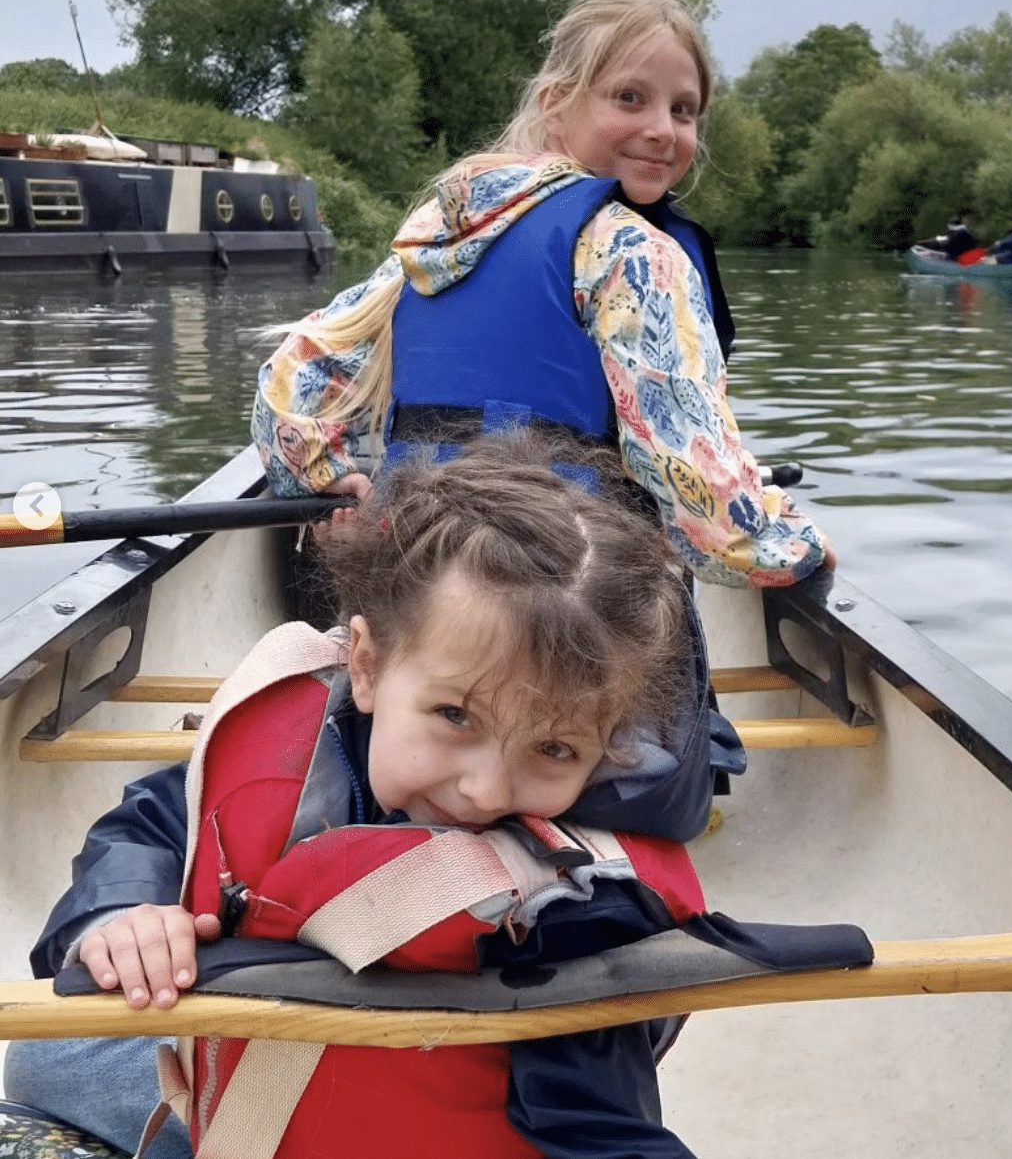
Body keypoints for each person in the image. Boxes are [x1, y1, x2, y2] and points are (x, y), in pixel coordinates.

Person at [5, 436, 872, 1159]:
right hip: (247, 1087)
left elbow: (605, 1129)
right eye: (455, 716)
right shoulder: (302, 748)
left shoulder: (578, 907)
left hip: (367, 1126)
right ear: (366, 666)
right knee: (48, 1052)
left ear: (607, 747)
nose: (484, 788)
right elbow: (160, 816)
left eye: (555, 749)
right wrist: (119, 914)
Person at [251, 0, 831, 589]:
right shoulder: (638, 256)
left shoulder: (446, 232)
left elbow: (290, 383)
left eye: (683, 110)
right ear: (556, 104)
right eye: (630, 98)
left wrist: (322, 475)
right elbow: (707, 513)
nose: (663, 129)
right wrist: (794, 545)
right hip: (563, 600)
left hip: (415, 586)